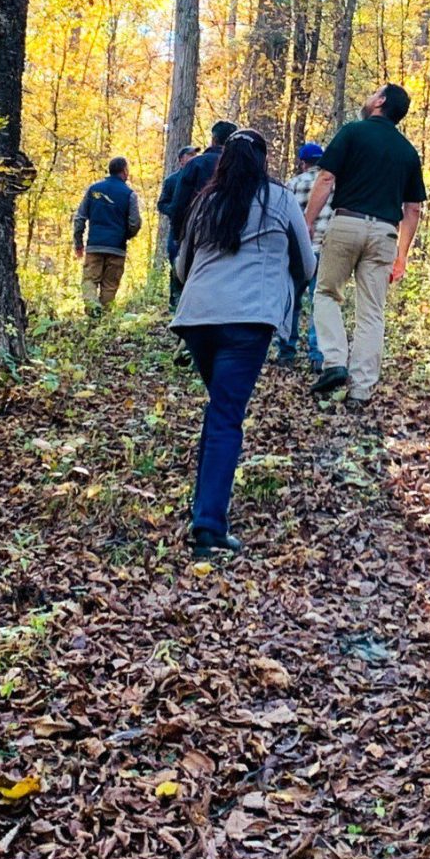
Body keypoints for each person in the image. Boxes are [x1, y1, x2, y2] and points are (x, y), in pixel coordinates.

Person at [170, 130, 317, 559]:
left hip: (198, 319)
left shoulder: (205, 202)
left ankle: (205, 508)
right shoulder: (280, 198)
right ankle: (208, 527)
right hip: (249, 319)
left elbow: (182, 268)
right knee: (225, 417)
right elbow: (306, 263)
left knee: (220, 411)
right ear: (263, 159)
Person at [304, 84, 427, 408]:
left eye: (373, 93)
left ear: (381, 102)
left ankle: (334, 362)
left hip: (346, 223)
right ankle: (360, 390)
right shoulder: (407, 151)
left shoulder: (353, 132)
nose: (369, 96)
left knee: (327, 293)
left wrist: (307, 221)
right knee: (372, 313)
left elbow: (327, 178)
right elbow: (413, 209)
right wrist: (401, 254)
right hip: (385, 233)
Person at [157, 123, 233, 303]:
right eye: (189, 154)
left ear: (213, 139)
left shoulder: (197, 165)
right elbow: (169, 204)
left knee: (191, 270)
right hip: (229, 231)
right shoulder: (239, 166)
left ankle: (190, 306)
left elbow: (180, 204)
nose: (193, 156)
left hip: (196, 230)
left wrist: (179, 233)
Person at [279, 142, 331, 367]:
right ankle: (318, 355)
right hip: (326, 251)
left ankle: (286, 351)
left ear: (302, 163)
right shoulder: (333, 186)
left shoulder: (292, 184)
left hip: (298, 253)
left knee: (291, 301)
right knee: (320, 302)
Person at [71, 157, 143, 312]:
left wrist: (78, 243)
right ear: (124, 171)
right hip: (117, 248)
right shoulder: (129, 194)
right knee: (110, 285)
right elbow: (135, 223)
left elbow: (79, 218)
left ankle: (93, 309)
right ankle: (104, 319)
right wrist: (126, 235)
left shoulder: (93, 190)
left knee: (89, 280)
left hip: (94, 245)